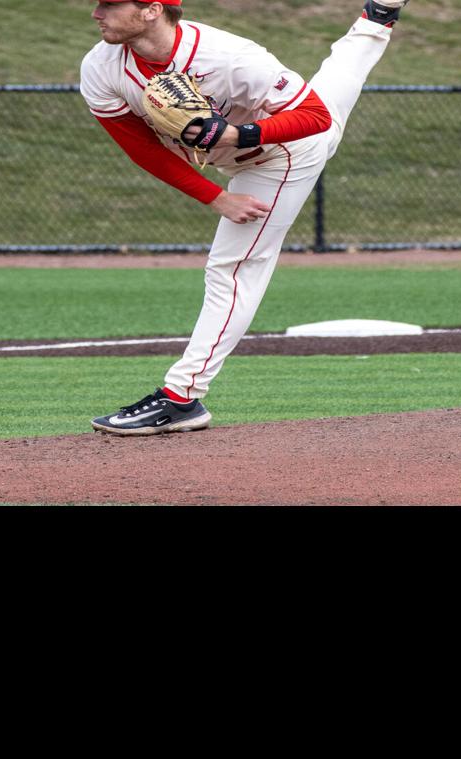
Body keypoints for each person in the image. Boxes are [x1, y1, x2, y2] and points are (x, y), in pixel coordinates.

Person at [80, 0, 409, 435]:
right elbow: (141, 148)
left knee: (233, 269)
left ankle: (182, 398)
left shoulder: (228, 56)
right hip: (237, 161)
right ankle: (378, 16)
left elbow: (312, 118)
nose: (96, 13)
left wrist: (240, 133)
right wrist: (216, 198)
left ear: (151, 10)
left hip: (280, 155)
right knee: (338, 77)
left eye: (109, 4)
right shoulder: (101, 67)